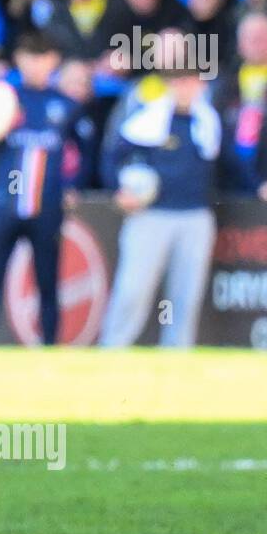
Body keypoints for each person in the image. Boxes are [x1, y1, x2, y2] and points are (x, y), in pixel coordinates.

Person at [100, 37, 221, 349]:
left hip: (194, 215)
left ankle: (178, 356)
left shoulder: (207, 122)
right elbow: (113, 156)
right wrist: (119, 189)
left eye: (191, 80)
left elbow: (221, 164)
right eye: (179, 80)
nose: (185, 87)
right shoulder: (146, 119)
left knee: (186, 296)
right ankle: (112, 349)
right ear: (169, 83)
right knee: (133, 291)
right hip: (151, 216)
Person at [0, 34, 79, 347]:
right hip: (4, 206)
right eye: (30, 57)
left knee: (47, 280)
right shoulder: (2, 99)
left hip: (46, 208)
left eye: (43, 57)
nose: (36, 65)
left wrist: (71, 185)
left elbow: (79, 153)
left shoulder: (65, 105)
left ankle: (49, 347)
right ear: (19, 60)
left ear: (53, 61)